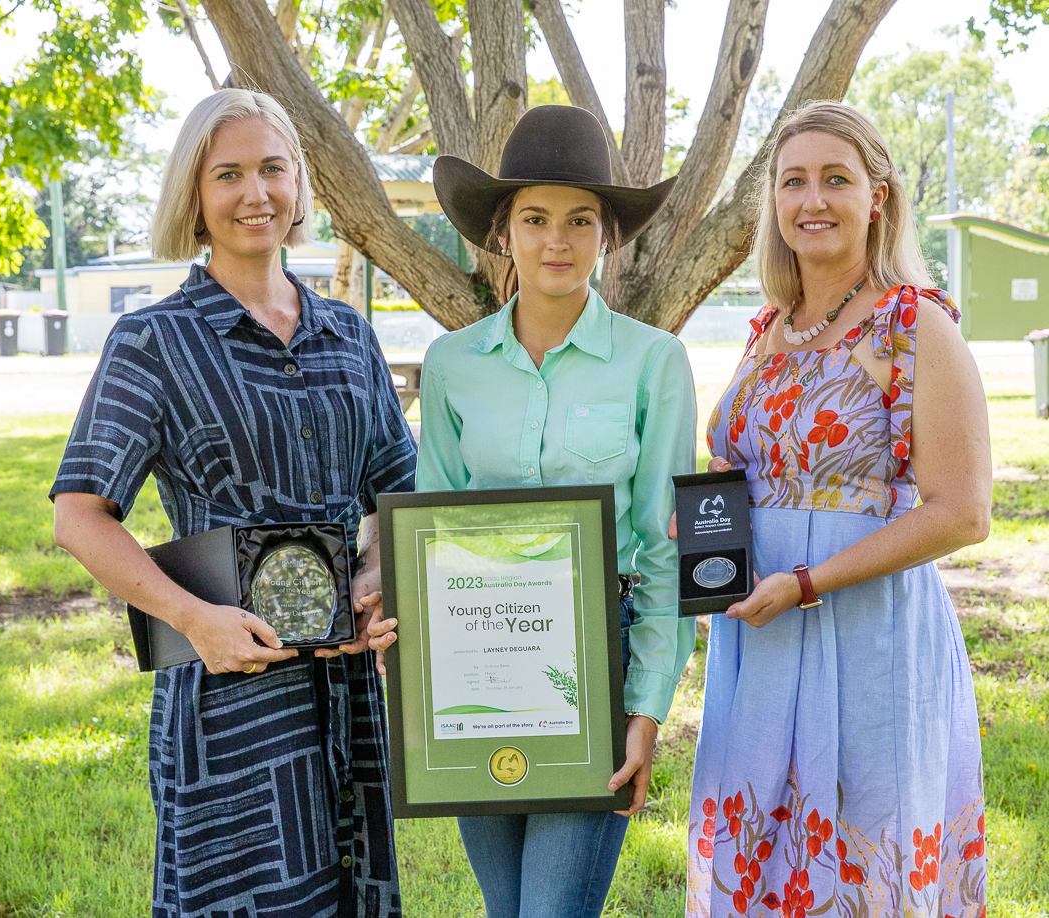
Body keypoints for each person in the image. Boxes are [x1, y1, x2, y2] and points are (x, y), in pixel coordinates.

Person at [51, 89, 415, 918]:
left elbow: (401, 492)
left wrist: (371, 579)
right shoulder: (154, 341)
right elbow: (79, 513)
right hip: (229, 695)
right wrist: (191, 619)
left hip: (343, 697)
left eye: (273, 170)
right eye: (230, 174)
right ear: (196, 197)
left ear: (298, 187)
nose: (256, 193)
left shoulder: (348, 335)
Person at [681, 100, 990, 916]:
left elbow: (962, 512)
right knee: (768, 862)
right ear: (774, 204)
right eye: (793, 182)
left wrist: (809, 580)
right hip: (762, 636)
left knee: (860, 868)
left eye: (835, 180)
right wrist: (705, 529)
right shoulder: (768, 331)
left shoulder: (913, 324)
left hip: (866, 636)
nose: (811, 200)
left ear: (877, 196)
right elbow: (738, 470)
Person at [400, 104, 697, 918]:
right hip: (474, 675)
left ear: (607, 234)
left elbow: (663, 548)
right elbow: (433, 532)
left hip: (597, 672)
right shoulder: (453, 366)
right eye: (534, 218)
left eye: (579, 220)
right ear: (502, 231)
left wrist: (646, 710)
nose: (555, 242)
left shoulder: (653, 362)